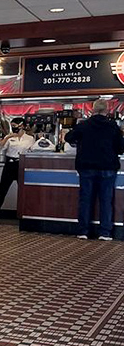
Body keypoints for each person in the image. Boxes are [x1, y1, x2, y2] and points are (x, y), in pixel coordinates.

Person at [65, 99, 124, 240]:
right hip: (108, 167)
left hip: (86, 167)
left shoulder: (84, 125)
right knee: (106, 200)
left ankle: (83, 231)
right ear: (107, 110)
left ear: (92, 109)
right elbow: (121, 147)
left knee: (85, 199)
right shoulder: (113, 126)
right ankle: (105, 232)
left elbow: (69, 137)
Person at [0, 122, 34, 220]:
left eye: (16, 125)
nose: (14, 127)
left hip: (22, 164)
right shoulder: (9, 137)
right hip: (10, 164)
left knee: (24, 190)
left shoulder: (30, 138)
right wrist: (7, 137)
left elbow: (32, 151)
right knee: (3, 189)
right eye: (13, 126)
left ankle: (27, 213)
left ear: (22, 126)